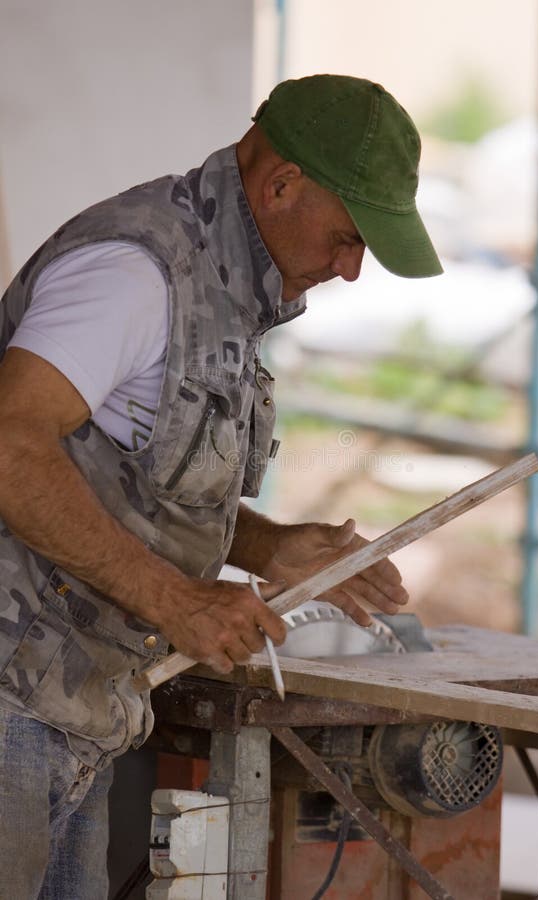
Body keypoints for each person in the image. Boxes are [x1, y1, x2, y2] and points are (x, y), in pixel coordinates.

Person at [0, 74, 442, 898]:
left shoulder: (227, 290)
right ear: (281, 185)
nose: (350, 271)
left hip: (78, 710)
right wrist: (177, 600)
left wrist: (271, 547)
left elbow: (129, 477)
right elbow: (11, 445)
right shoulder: (137, 270)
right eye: (348, 239)